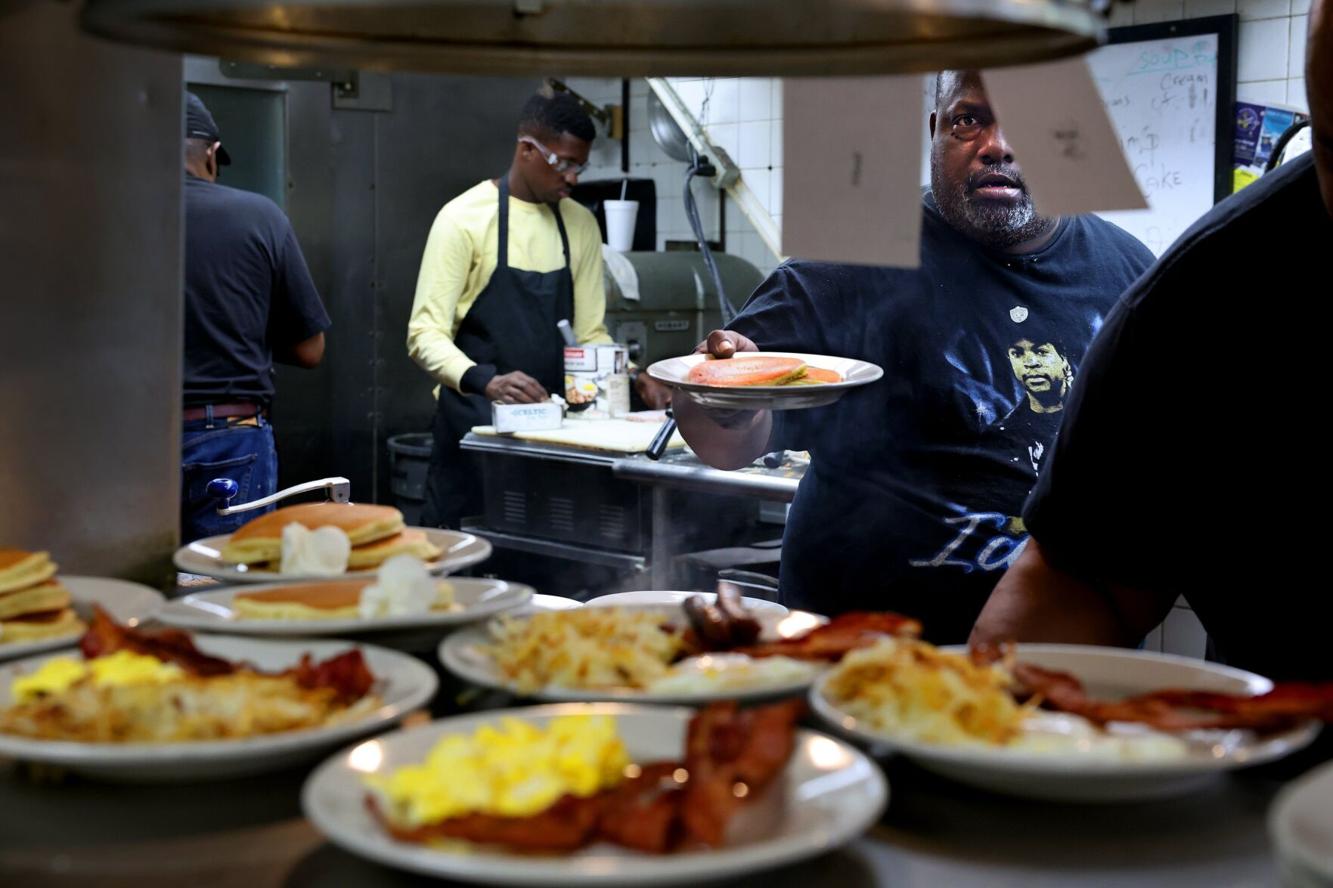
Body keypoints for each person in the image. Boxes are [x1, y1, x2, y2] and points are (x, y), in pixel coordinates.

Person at [675, 71, 1155, 642]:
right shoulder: (844, 269)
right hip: (859, 654)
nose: (997, 145)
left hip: (1052, 656)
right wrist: (722, 397)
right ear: (935, 132)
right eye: (968, 120)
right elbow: (724, 442)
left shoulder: (1130, 275)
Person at [970, 0, 1333, 683]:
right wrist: (969, 725)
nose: (998, 145)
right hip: (1290, 772)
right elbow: (1084, 580)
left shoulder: (1115, 257)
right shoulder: (1208, 296)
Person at [408, 90, 669, 529]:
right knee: (467, 564)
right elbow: (423, 335)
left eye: (579, 166)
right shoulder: (464, 220)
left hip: (554, 433)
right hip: (476, 433)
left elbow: (589, 334)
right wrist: (487, 381)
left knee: (546, 564)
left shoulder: (580, 224)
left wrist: (635, 375)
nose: (573, 179)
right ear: (527, 150)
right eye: (563, 163)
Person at [180, 92, 330, 542]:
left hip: (127, 437)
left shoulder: (107, 217)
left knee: (131, 584)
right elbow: (310, 349)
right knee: (221, 594)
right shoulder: (259, 216)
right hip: (230, 437)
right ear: (210, 152)